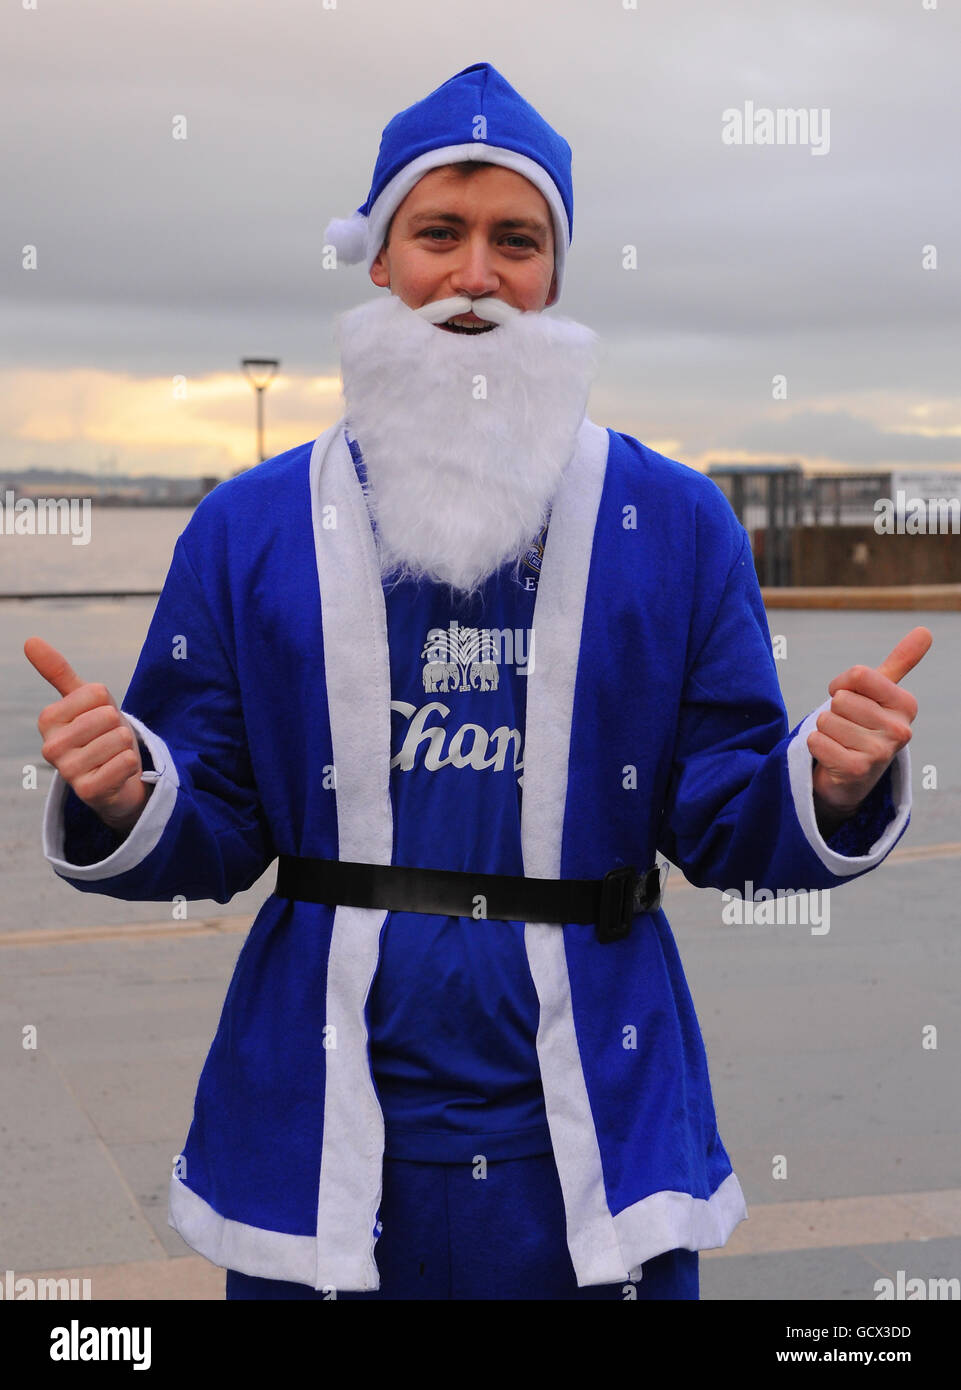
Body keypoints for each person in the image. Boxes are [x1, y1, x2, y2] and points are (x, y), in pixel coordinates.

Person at [25, 62, 930, 1301]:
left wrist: (828, 783)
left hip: (597, 1124)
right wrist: (128, 798)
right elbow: (218, 820)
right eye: (438, 233)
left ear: (554, 274)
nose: (474, 276)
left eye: (517, 240)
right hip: (322, 1115)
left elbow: (724, 816)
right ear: (381, 263)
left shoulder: (674, 524)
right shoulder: (244, 529)